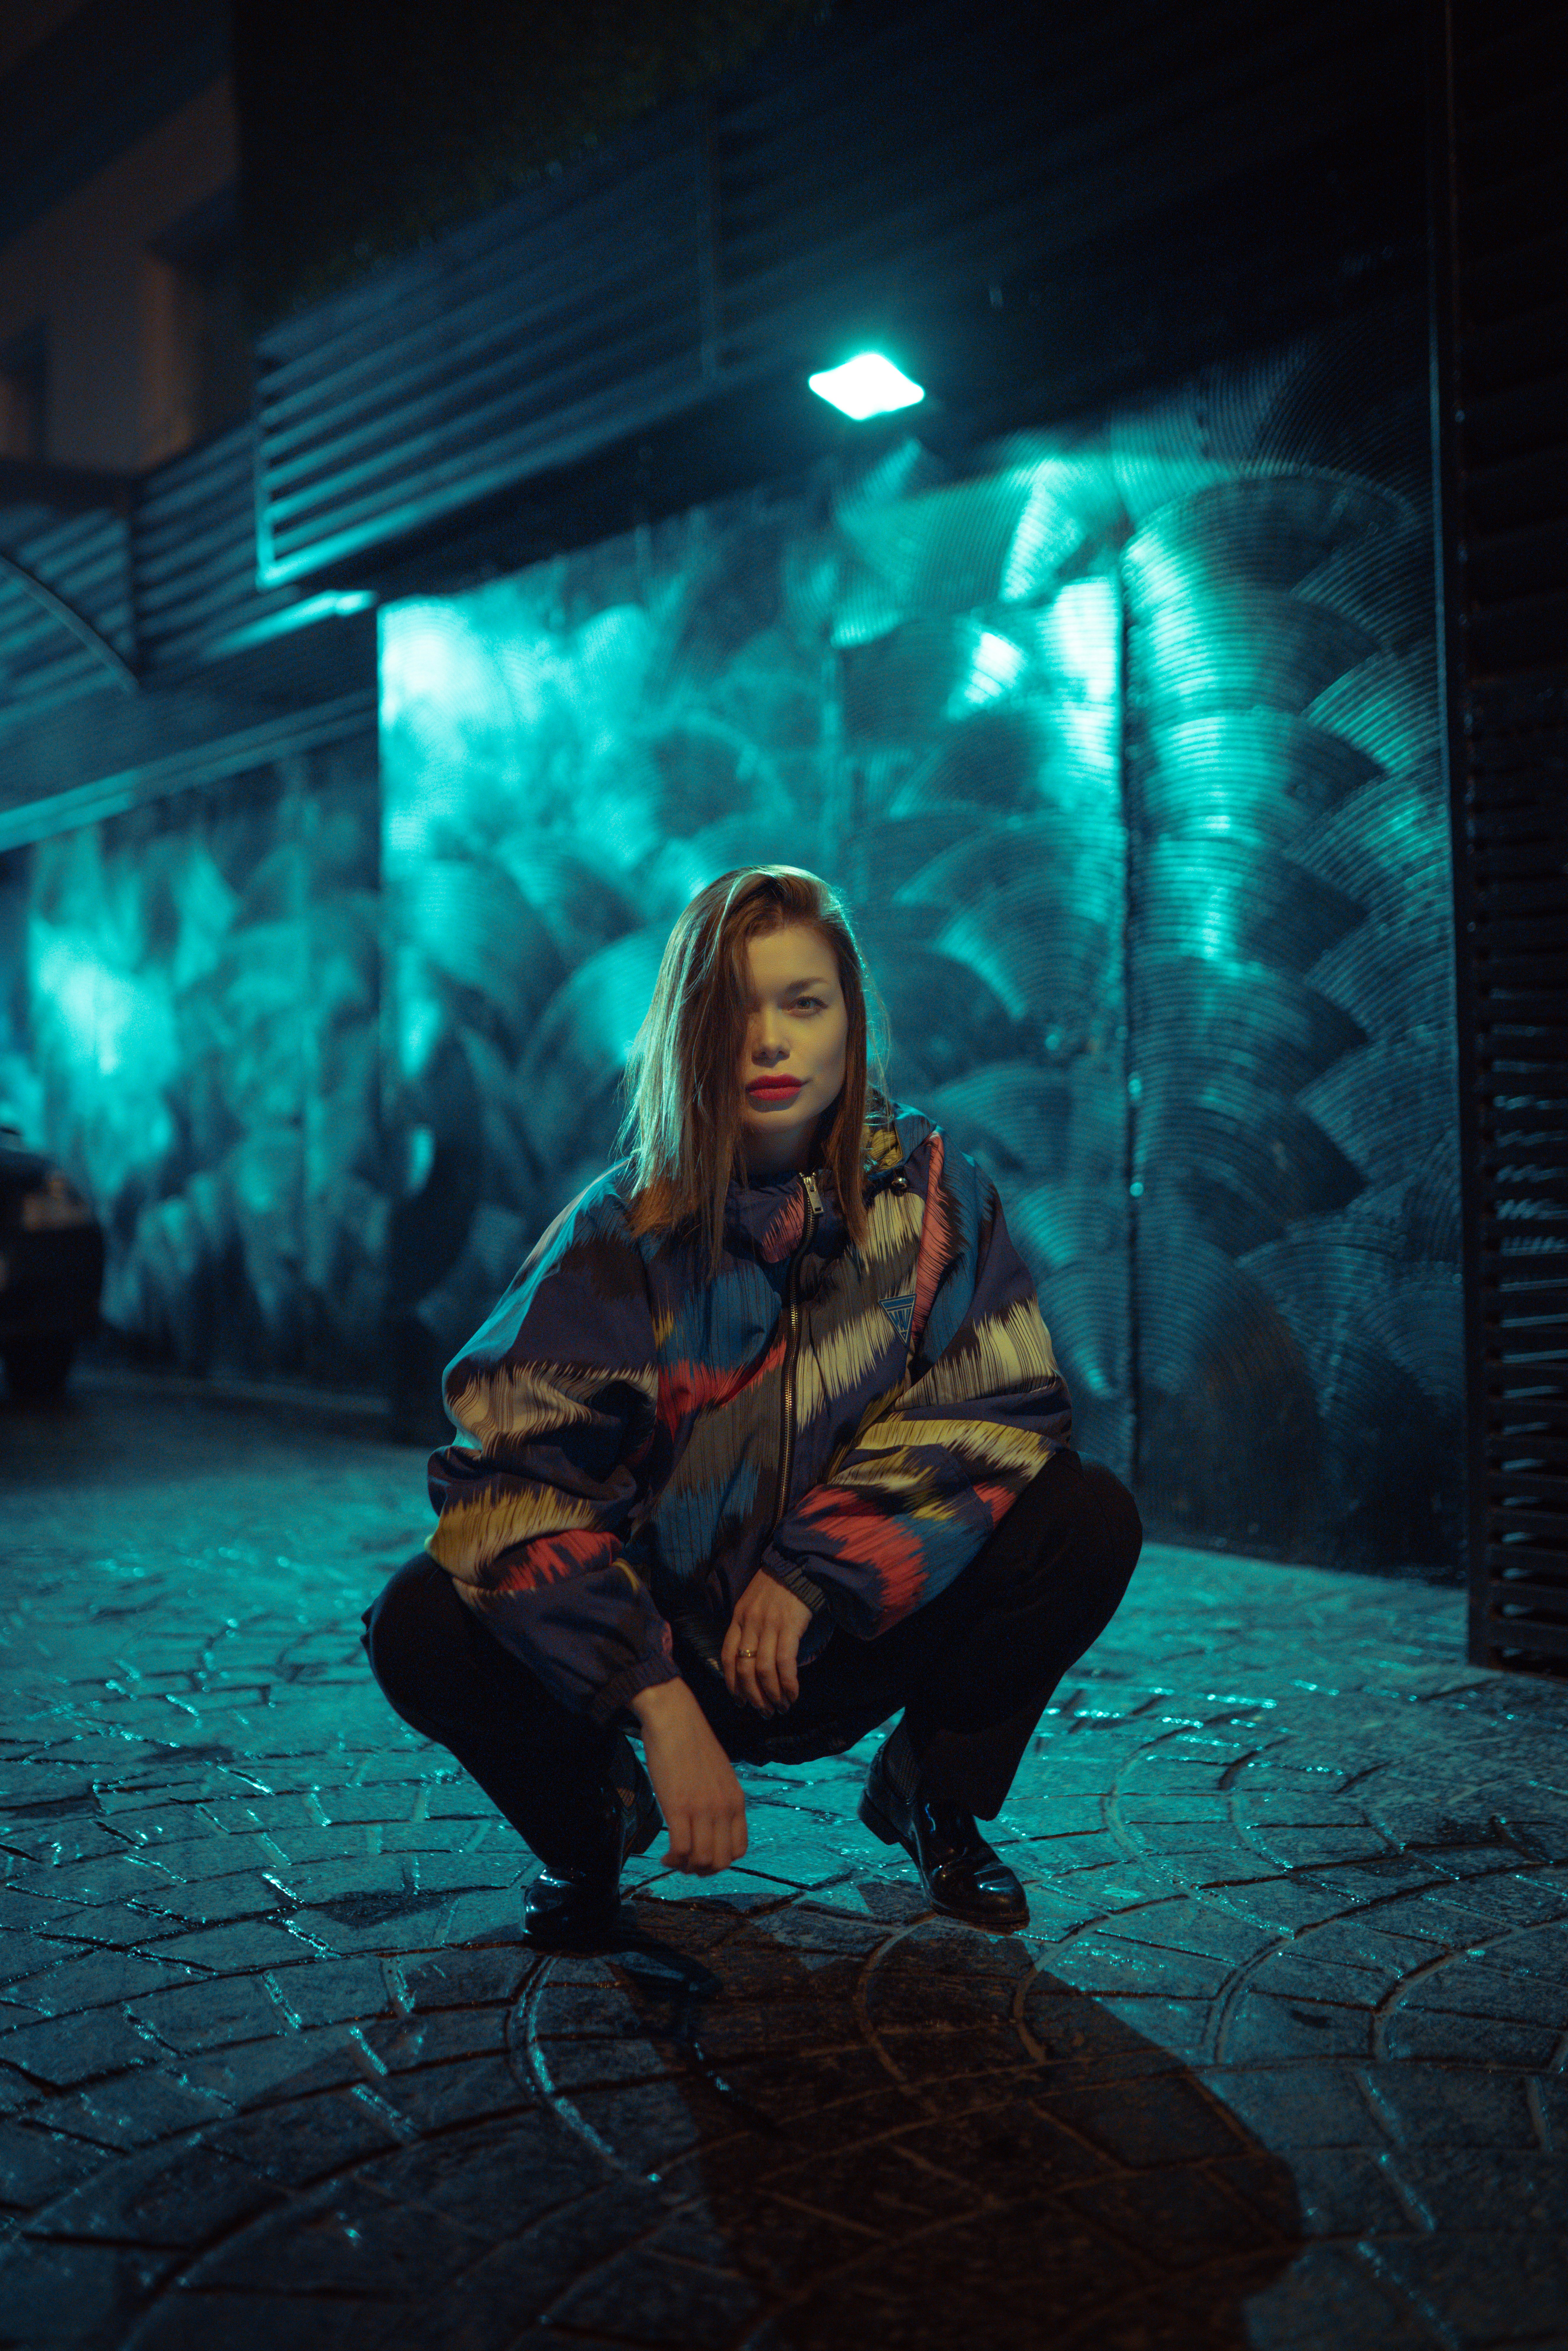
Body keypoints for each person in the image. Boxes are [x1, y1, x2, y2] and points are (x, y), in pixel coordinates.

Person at [363, 866, 1141, 1946]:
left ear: (849, 1020)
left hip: (857, 1621)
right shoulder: (618, 1235)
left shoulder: (932, 1195)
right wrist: (654, 1697)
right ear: (692, 1031)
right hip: (675, 1649)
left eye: (803, 1003)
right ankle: (592, 1825)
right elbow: (511, 1486)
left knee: (1084, 1514)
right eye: (735, 1009)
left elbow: (1000, 1400)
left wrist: (820, 1567)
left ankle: (933, 1793)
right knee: (421, 1622)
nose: (770, 1041)